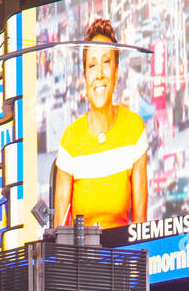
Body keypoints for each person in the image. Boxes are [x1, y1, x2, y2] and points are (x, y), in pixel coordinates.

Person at [53, 18, 148, 228]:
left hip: (123, 256)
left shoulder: (134, 128)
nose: (99, 75)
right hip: (81, 259)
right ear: (85, 76)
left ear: (116, 71)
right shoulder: (71, 139)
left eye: (106, 63)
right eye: (92, 65)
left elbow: (141, 223)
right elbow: (60, 229)